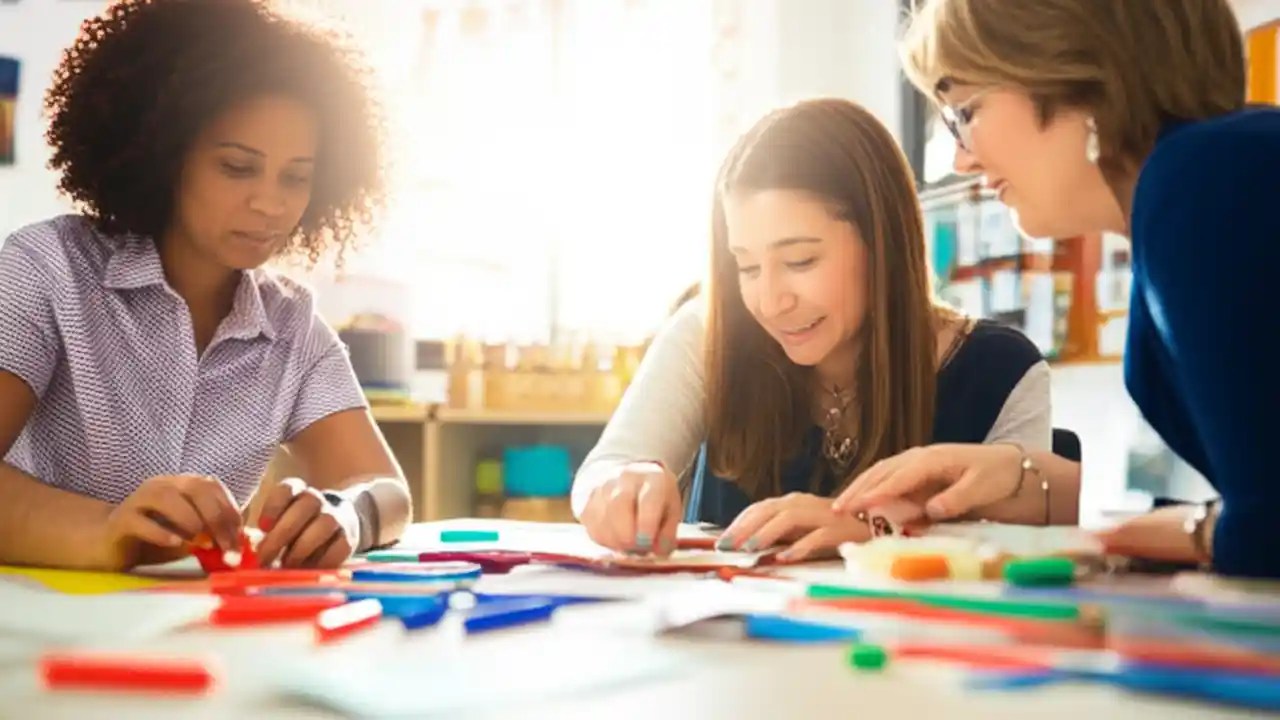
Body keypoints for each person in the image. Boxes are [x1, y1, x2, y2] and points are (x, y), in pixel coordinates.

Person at [833, 0, 1279, 578]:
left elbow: (1269, 528)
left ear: (1078, 76)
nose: (963, 159)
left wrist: (1201, 532)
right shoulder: (1199, 183)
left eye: (965, 112)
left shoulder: (1202, 182)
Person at [0, 0, 412, 572]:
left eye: (296, 176)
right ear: (166, 155)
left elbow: (386, 489)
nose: (270, 203)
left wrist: (346, 512)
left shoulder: (290, 325)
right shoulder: (46, 269)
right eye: (237, 167)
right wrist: (109, 529)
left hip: (192, 633)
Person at [574, 98, 1073, 562]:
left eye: (800, 260)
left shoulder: (1002, 371)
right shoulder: (707, 331)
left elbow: (1020, 555)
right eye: (746, 267)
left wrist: (878, 535)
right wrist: (622, 480)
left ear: (882, 243)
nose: (770, 301)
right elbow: (602, 471)